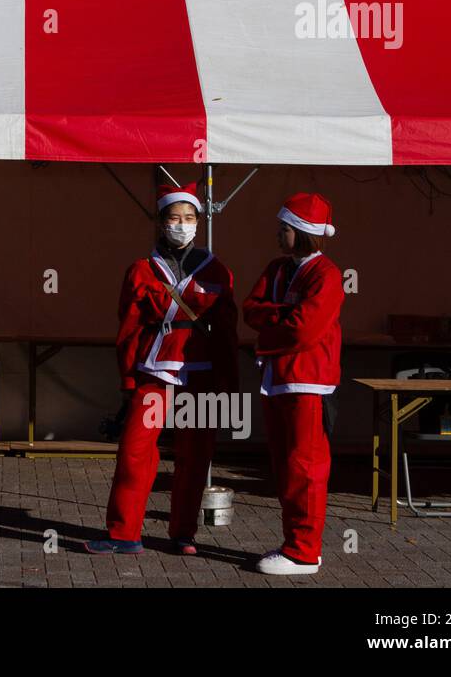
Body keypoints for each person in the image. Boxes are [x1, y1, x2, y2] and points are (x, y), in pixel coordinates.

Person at [86, 182, 238, 556]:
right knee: (135, 452)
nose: (182, 225)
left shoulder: (216, 269)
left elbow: (228, 332)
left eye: (189, 218)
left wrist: (229, 383)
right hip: (154, 372)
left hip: (200, 374)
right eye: (175, 217)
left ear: (198, 223)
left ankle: (184, 534)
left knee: (195, 455)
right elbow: (129, 328)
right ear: (161, 221)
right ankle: (124, 534)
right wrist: (127, 377)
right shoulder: (140, 269)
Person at [243, 192, 344, 576]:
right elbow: (250, 308)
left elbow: (306, 329)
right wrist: (283, 315)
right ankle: (294, 543)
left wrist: (268, 332)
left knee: (306, 467)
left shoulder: (327, 274)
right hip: (279, 379)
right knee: (285, 467)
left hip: (308, 383)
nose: (277, 234)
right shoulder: (278, 268)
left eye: (283, 228)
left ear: (301, 232)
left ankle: (304, 551)